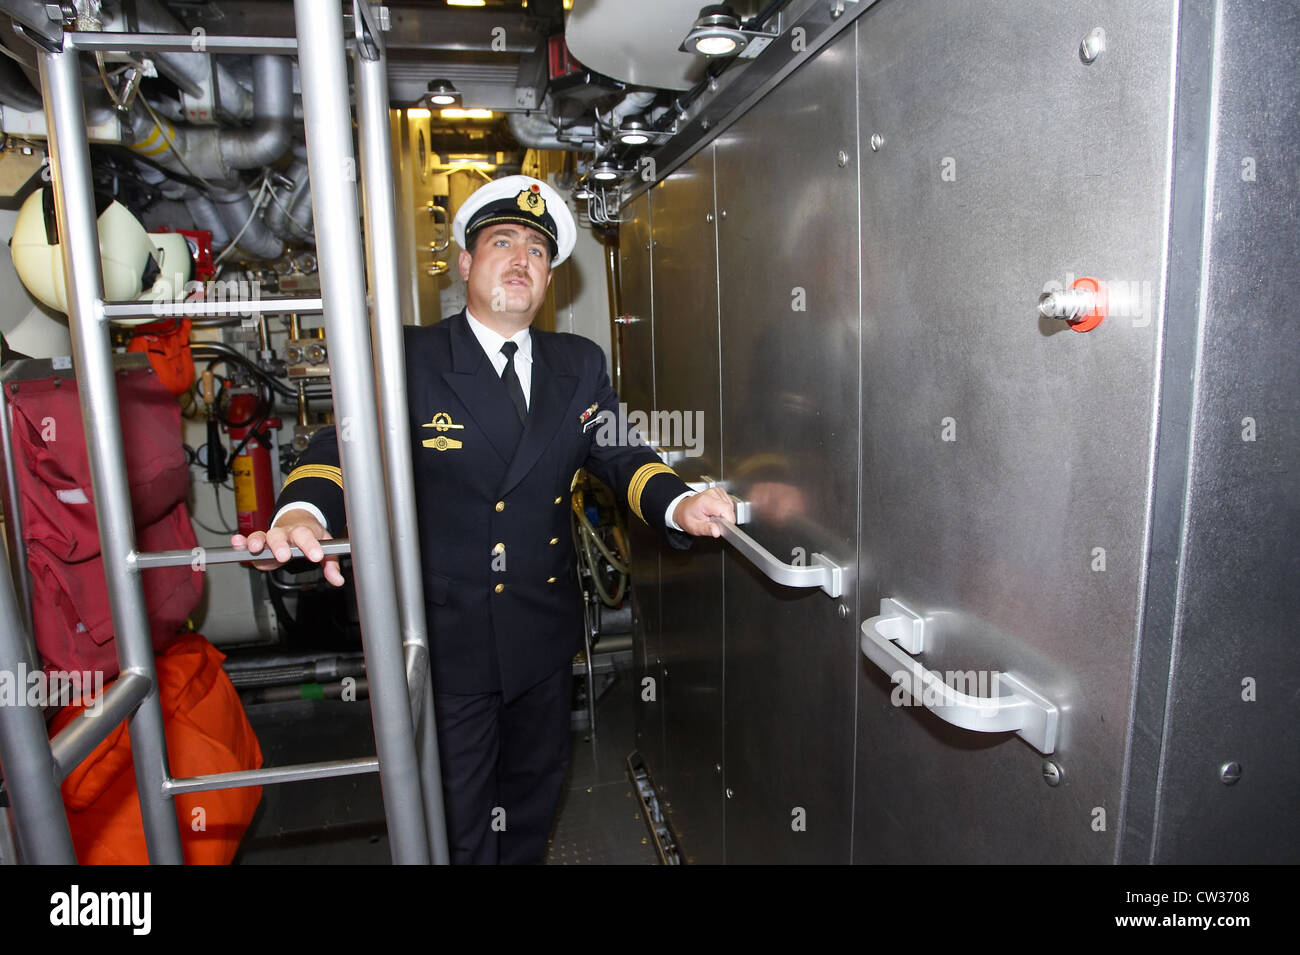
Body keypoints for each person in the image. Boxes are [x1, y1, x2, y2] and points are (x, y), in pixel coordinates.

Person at [231, 174, 734, 864]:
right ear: (465, 264)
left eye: (537, 249)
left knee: (531, 802)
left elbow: (625, 454)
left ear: (549, 277)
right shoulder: (410, 356)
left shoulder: (577, 366)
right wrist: (302, 508)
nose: (521, 259)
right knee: (461, 820)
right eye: (502, 242)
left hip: (542, 636)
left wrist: (679, 501)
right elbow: (343, 445)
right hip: (448, 642)